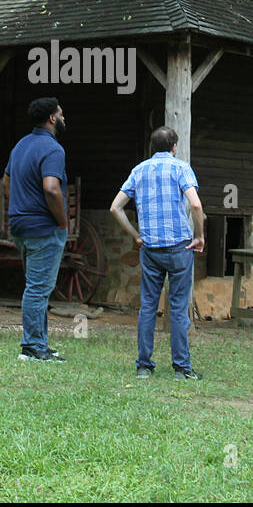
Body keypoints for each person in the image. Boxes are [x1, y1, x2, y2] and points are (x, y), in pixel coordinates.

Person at [109, 126, 205, 380]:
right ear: (174, 147)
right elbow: (195, 203)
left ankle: (144, 365)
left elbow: (115, 208)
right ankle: (182, 368)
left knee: (148, 306)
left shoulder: (139, 171)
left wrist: (135, 235)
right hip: (179, 247)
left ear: (153, 147)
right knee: (178, 306)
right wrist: (200, 235)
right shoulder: (181, 168)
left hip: (150, 248)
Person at [3, 97, 69, 363]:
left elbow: (6, 184)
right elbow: (51, 188)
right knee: (38, 288)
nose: (65, 119)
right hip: (43, 227)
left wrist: (21, 207)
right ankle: (31, 346)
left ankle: (40, 342)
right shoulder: (53, 150)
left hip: (20, 225)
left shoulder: (21, 145)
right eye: (62, 114)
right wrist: (63, 221)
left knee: (37, 286)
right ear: (52, 119)